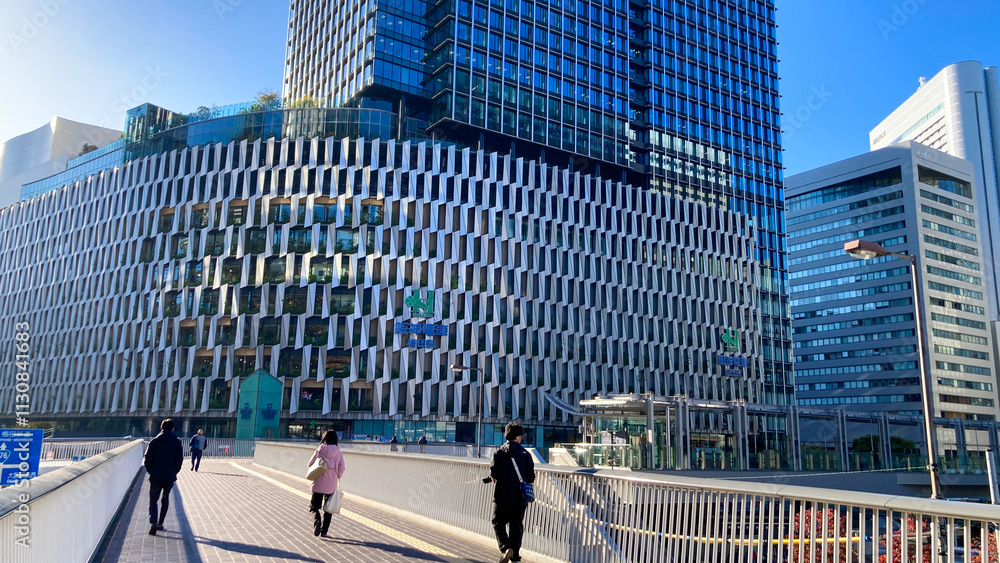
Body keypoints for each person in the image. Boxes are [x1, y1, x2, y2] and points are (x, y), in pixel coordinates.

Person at [489, 421, 535, 563]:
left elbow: (494, 476)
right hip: (519, 498)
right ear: (517, 436)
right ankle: (515, 556)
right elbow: (530, 478)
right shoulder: (525, 454)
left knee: (498, 522)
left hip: (502, 496)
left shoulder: (499, 452)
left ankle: (505, 548)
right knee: (516, 525)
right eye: (520, 435)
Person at [143, 418, 183, 536]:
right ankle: (161, 522)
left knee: (153, 499)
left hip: (156, 475)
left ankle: (153, 521)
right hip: (169, 475)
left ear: (161, 427)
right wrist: (174, 471)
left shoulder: (155, 441)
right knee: (165, 498)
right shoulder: (177, 441)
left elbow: (147, 459)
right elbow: (179, 460)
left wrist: (151, 471)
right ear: (172, 428)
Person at [308, 431, 346, 537]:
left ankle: (317, 521)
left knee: (314, 507)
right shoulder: (338, 452)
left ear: (325, 438)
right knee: (328, 508)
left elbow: (310, 463)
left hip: (319, 481)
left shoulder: (320, 449)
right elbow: (342, 467)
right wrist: (337, 475)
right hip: (331, 483)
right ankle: (324, 531)